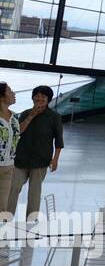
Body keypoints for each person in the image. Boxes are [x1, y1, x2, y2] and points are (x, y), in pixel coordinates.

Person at [9, 85, 63, 221]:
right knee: (13, 189)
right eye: (37, 95)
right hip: (20, 158)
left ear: (48, 99)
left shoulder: (54, 117)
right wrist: (31, 116)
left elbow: (59, 140)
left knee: (34, 192)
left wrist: (55, 159)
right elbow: (18, 132)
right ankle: (6, 218)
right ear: (32, 97)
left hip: (41, 159)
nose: (39, 98)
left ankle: (31, 220)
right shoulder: (25, 113)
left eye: (43, 96)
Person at [0, 83, 17, 220]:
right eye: (10, 91)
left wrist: (30, 117)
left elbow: (16, 136)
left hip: (8, 167)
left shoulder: (14, 118)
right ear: (1, 96)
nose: (13, 93)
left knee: (2, 206)